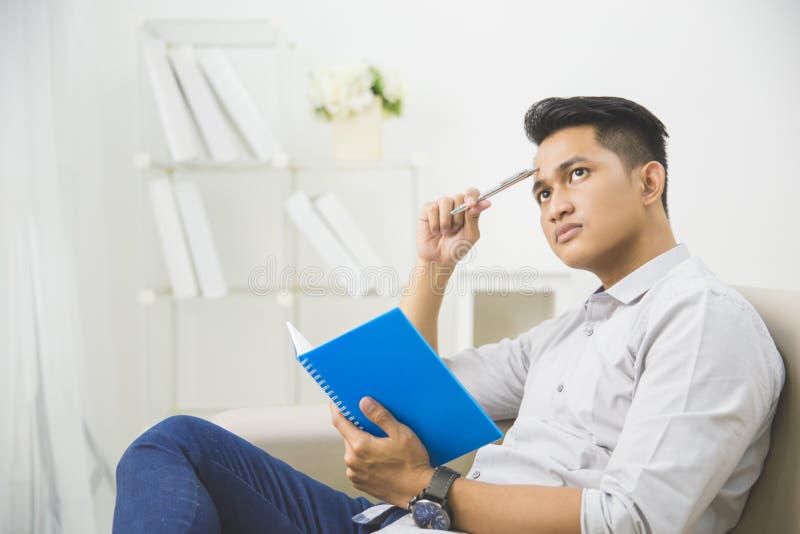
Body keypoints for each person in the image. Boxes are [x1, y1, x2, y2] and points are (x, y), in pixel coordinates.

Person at [113, 96, 784, 533]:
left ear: (648, 181)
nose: (553, 202)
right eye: (542, 189)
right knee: (174, 443)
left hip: (426, 517)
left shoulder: (701, 320)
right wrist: (435, 267)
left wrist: (424, 486)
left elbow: (634, 519)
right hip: (390, 521)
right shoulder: (577, 327)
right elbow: (407, 396)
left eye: (577, 174)